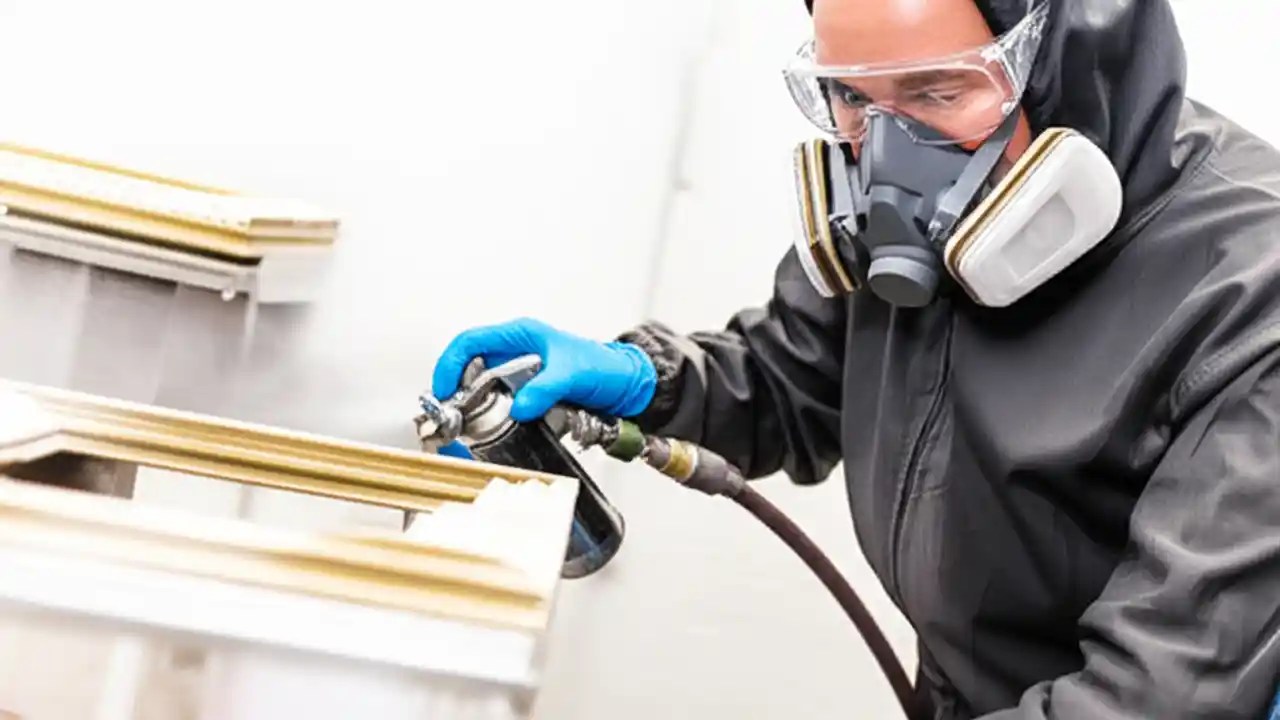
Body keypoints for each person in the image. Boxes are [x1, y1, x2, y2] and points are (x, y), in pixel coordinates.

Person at [430, 0, 1280, 717]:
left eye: (937, 90)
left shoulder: (1250, 291)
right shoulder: (905, 225)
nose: (887, 157)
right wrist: (648, 382)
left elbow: (1157, 697)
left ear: (1076, 70)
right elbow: (788, 382)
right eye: (848, 96)